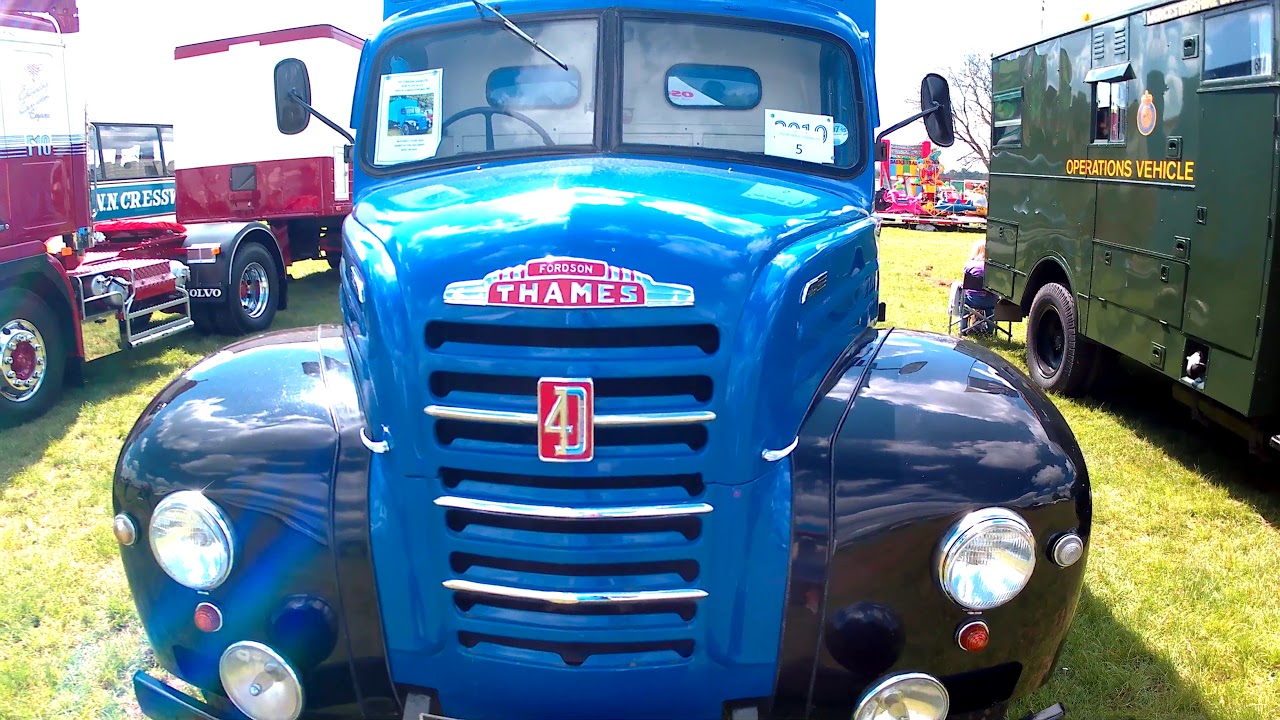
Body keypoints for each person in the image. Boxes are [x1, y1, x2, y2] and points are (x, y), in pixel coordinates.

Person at [960, 239, 996, 335]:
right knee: (991, 308)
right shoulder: (994, 267)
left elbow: (964, 284)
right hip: (990, 301)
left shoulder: (969, 265)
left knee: (963, 302)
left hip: (972, 300)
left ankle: (963, 329)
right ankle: (990, 330)